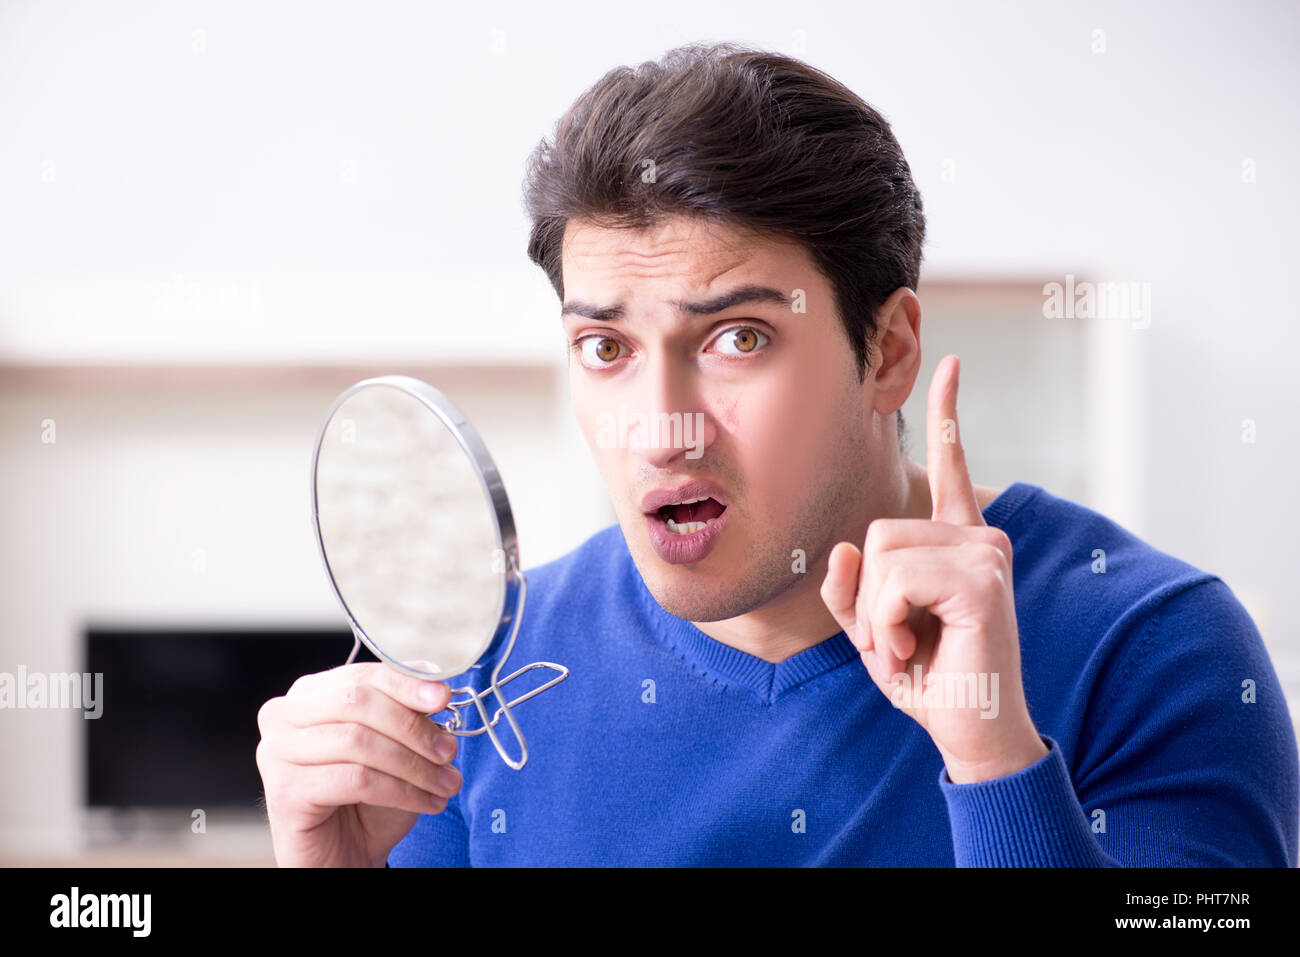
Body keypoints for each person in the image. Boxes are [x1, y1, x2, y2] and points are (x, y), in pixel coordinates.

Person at [255, 41, 1299, 867]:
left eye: (735, 339)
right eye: (605, 347)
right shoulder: (485, 682)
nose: (661, 424)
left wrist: (994, 764)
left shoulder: (1151, 646)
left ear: (885, 351)